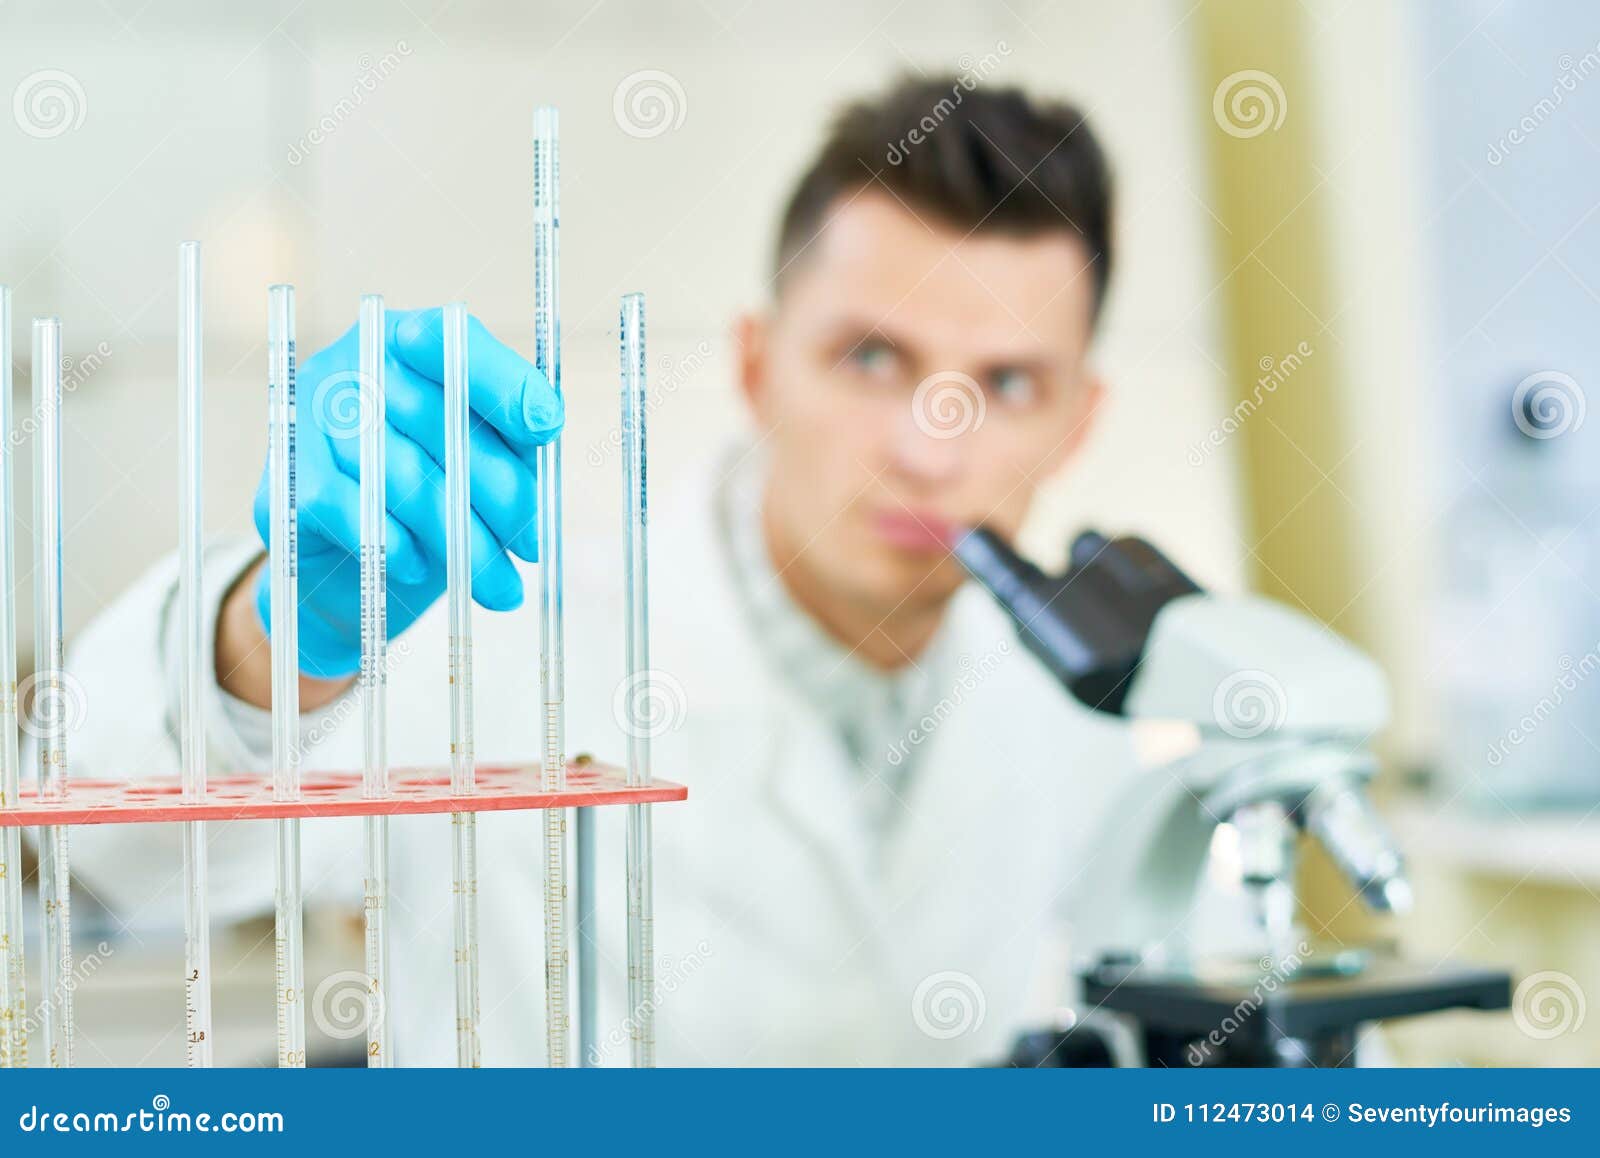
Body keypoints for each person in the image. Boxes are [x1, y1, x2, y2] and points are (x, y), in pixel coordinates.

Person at [49, 77, 1137, 1065]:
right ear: (757, 369)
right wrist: (278, 640)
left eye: (1007, 382)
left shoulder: (1093, 714)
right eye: (868, 357)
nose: (929, 449)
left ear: (1079, 423)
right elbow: (111, 855)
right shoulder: (497, 625)